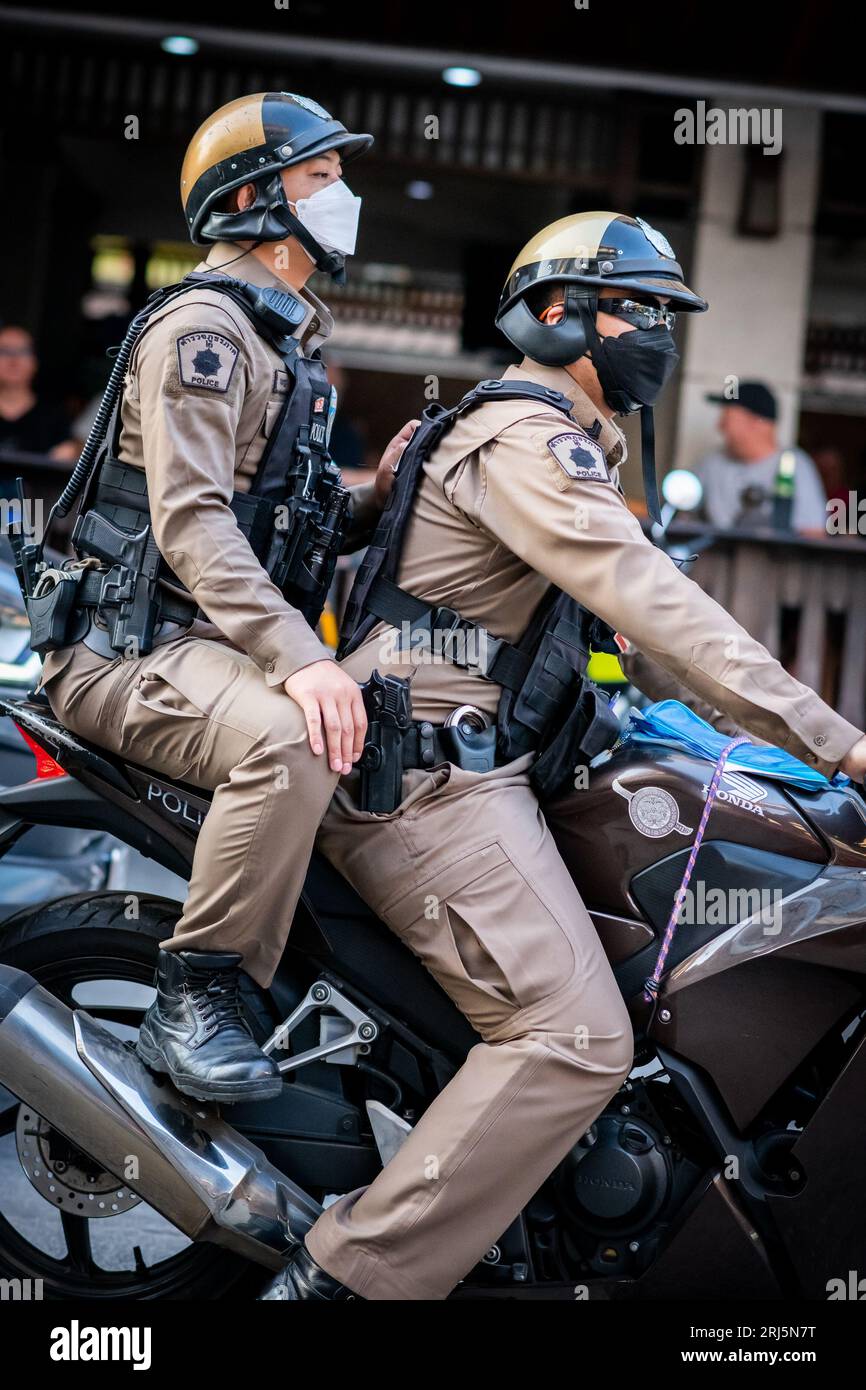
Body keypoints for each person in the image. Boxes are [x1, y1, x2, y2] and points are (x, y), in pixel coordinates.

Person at [261, 211, 866, 1301]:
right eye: (636, 312)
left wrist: (773, 753)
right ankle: (346, 1280)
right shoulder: (528, 442)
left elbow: (643, 646)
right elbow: (671, 613)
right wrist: (843, 744)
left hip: (477, 761)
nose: (658, 339)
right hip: (429, 778)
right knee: (576, 1035)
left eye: (664, 318)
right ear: (555, 316)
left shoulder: (565, 440)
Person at [36, 91, 416, 1105]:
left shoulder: (281, 339)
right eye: (322, 178)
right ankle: (195, 989)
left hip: (205, 644)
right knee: (292, 737)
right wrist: (303, 662)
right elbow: (192, 523)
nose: (344, 197)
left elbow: (283, 531)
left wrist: (390, 490)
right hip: (129, 651)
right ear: (254, 199)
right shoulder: (205, 332)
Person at [696, 381, 827, 535]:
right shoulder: (712, 463)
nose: (720, 426)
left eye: (727, 418)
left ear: (758, 423)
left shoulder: (793, 464)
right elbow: (681, 515)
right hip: (714, 556)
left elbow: (814, 533)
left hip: (773, 557)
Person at [0, 324, 77, 459]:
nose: (14, 360)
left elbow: (69, 451)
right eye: (4, 352)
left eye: (23, 352)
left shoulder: (53, 414)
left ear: (34, 362)